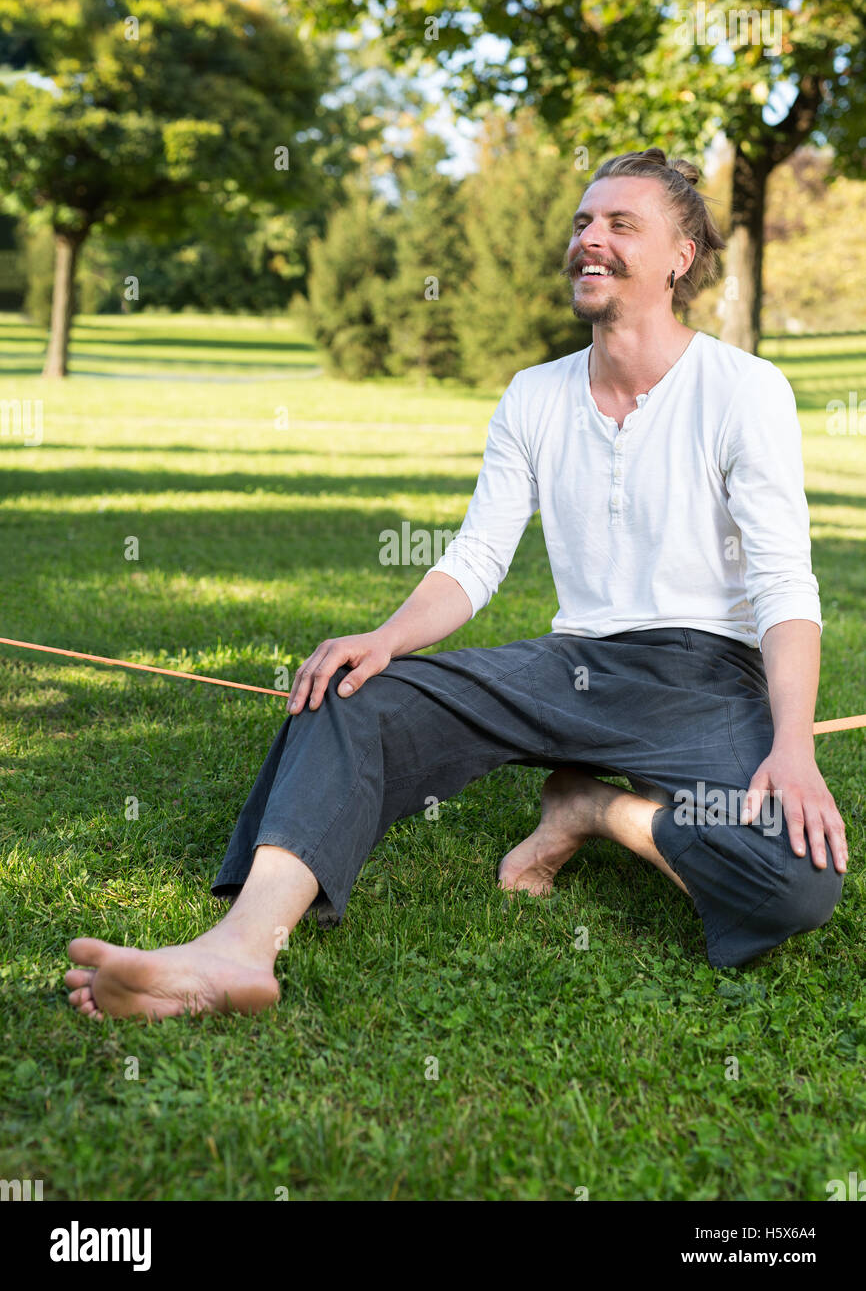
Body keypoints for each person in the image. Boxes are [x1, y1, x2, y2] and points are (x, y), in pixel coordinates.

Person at [65, 147, 847, 1022]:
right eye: (585, 221)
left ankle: (595, 809)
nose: (591, 238)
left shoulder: (744, 390)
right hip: (575, 665)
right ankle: (239, 952)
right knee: (351, 692)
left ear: (681, 257)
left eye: (622, 224)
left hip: (705, 676)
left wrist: (792, 748)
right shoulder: (534, 396)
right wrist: (388, 639)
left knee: (796, 879)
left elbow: (784, 584)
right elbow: (477, 559)